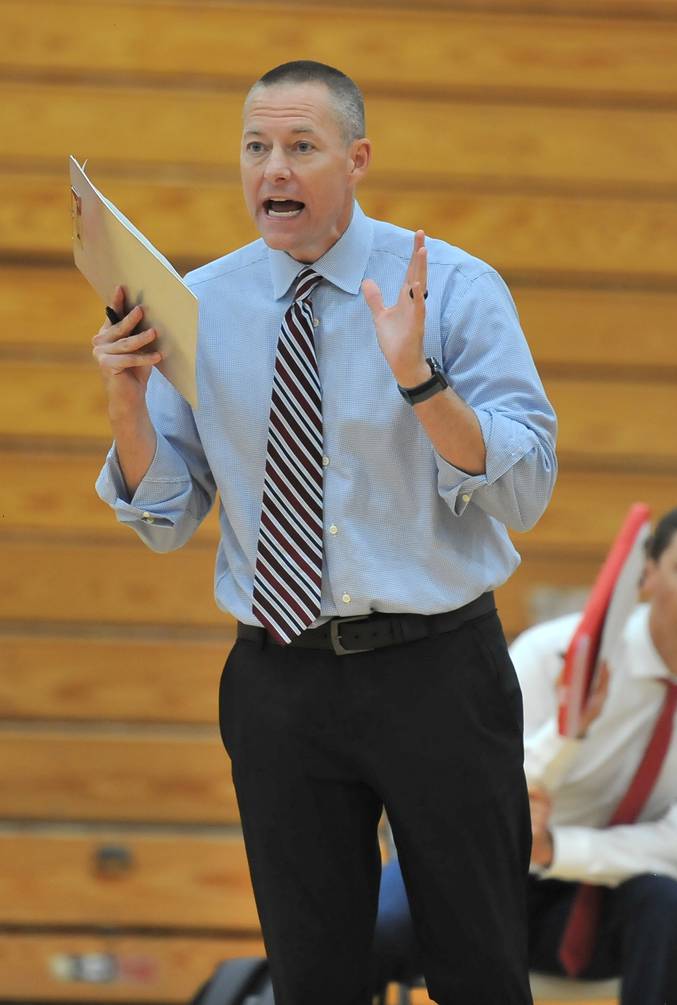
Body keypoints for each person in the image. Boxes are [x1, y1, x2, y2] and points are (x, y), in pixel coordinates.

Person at [91, 61, 556, 1005]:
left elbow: (527, 489)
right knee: (313, 979)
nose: (275, 168)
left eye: (302, 146)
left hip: (437, 671)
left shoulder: (453, 287)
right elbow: (168, 514)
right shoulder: (205, 301)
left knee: (480, 969)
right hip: (280, 678)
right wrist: (128, 403)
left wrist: (422, 383)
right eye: (257, 147)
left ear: (357, 159)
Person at [371, 501, 677, 1005]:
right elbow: (487, 796)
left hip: (618, 894)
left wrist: (560, 851)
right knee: (371, 927)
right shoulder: (552, 650)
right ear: (648, 575)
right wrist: (570, 734)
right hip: (495, 869)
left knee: (668, 907)